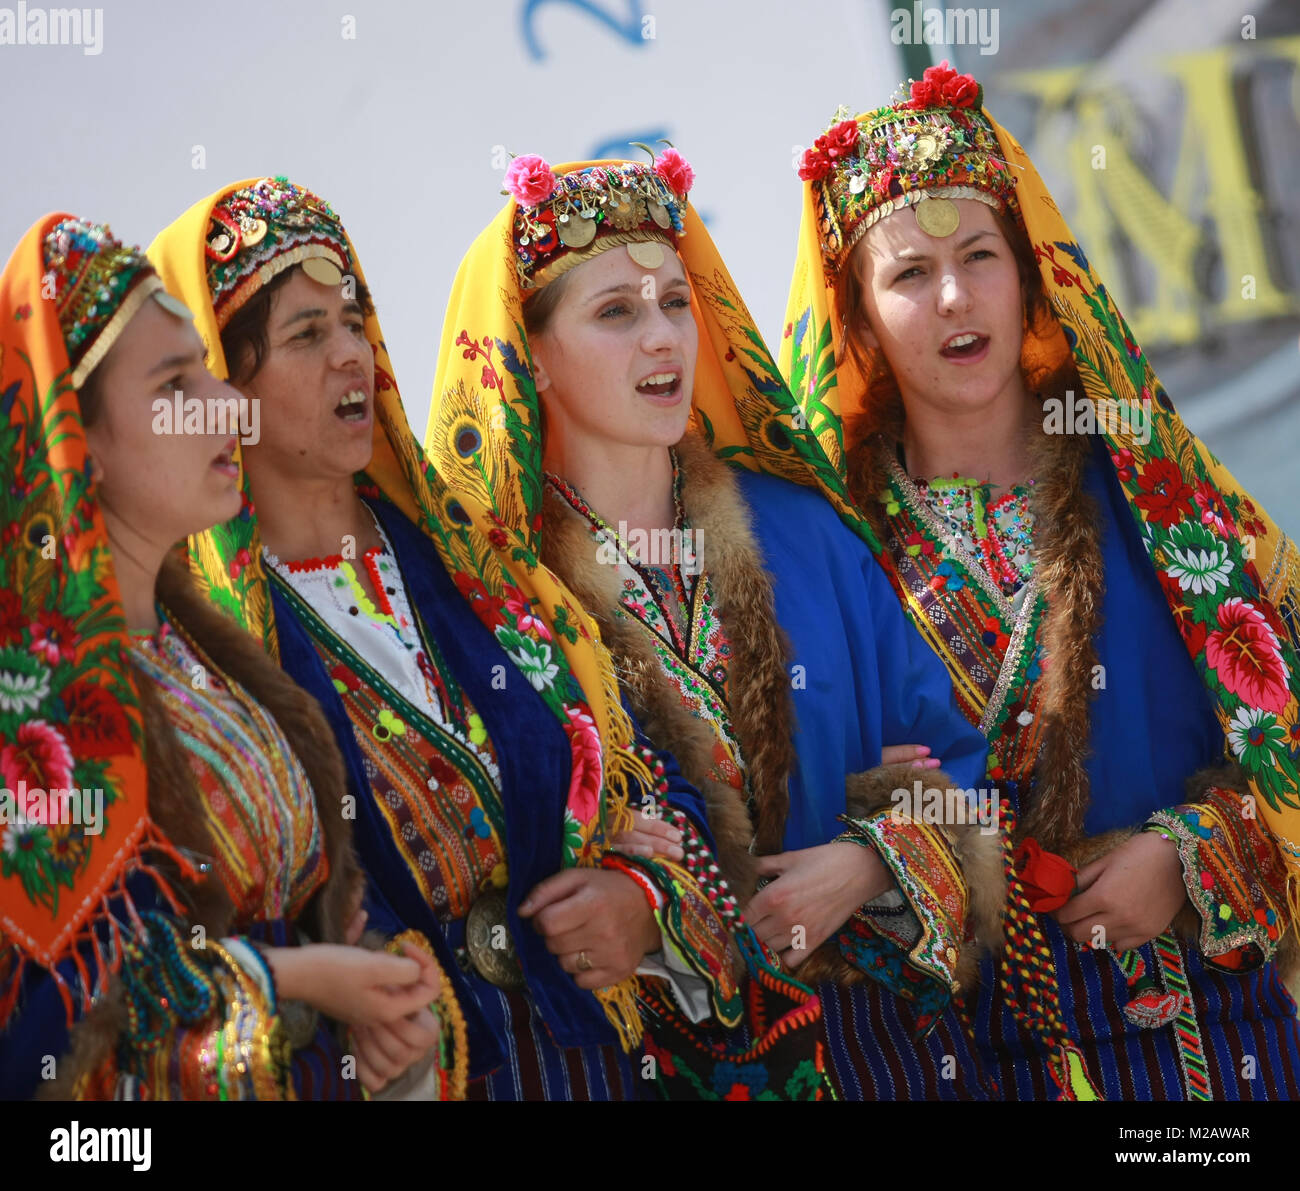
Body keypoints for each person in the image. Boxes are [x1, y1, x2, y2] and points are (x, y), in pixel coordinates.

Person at [426, 149, 1007, 1099]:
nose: (661, 337)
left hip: (877, 1056)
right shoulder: (496, 596)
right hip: (644, 1069)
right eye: (615, 311)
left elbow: (962, 780)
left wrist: (867, 866)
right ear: (527, 353)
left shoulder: (806, 534)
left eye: (672, 303)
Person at [149, 177, 744, 1100]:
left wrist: (643, 904)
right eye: (307, 336)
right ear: (224, 389)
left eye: (354, 322)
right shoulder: (209, 659)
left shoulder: (480, 563)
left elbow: (659, 790)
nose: (351, 355)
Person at [778, 63, 1300, 1099]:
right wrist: (896, 845)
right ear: (858, 315)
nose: (956, 298)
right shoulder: (825, 553)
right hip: (966, 1065)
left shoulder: (1150, 490)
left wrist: (1190, 855)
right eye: (908, 276)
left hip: (1212, 1049)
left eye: (979, 255)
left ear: (1029, 274)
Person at [0, 215, 455, 1101]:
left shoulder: (194, 654)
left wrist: (367, 1002)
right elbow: (48, 1046)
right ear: (74, 442)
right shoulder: (36, 711)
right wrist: (294, 982)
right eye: (176, 385)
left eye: (208, 368)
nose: (224, 405)